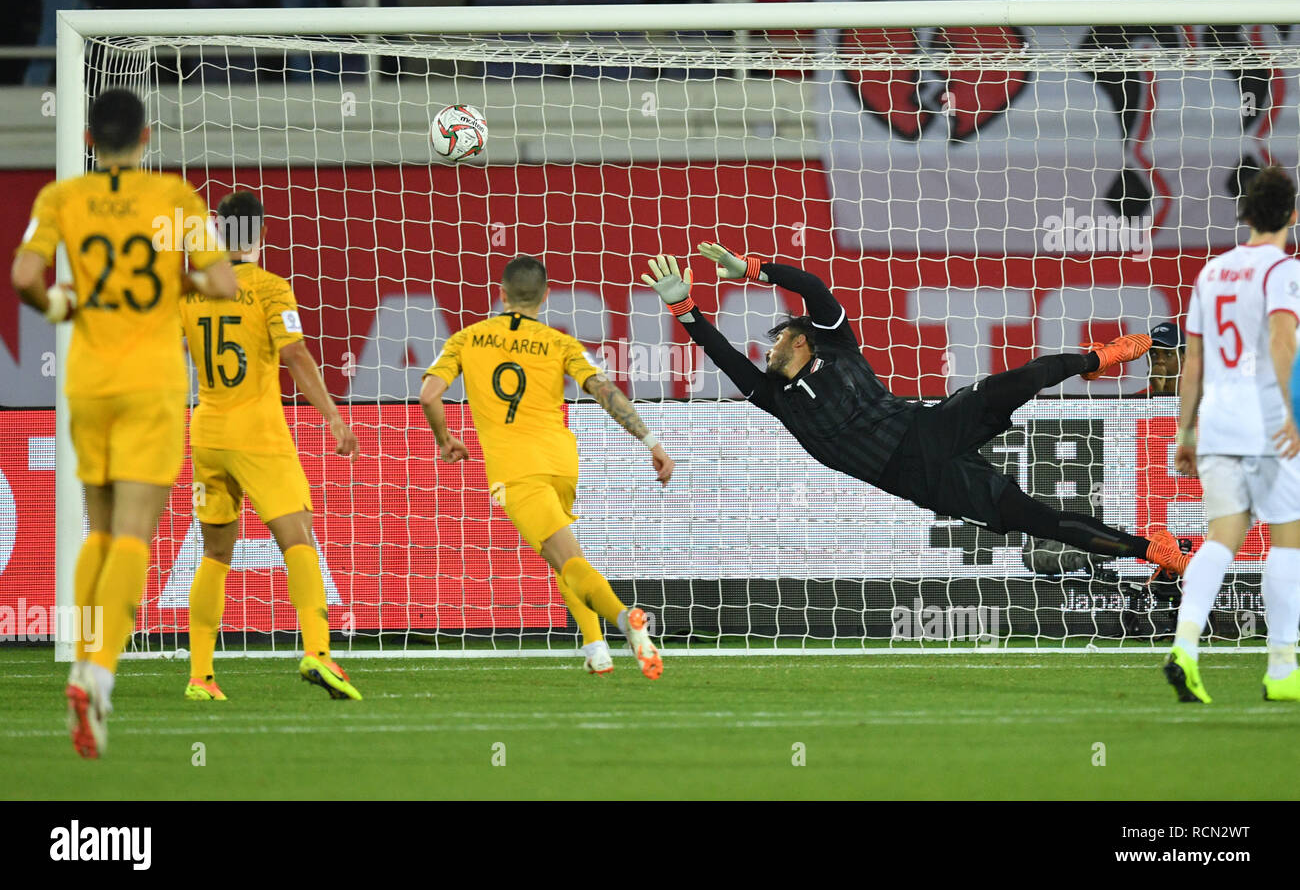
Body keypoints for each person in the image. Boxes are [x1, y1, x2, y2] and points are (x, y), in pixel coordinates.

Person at [642, 242, 1191, 579]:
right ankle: (1152, 550)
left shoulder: (834, 344)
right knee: (1036, 519)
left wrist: (753, 270)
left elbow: (812, 286)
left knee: (1010, 383)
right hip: (916, 480)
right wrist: (683, 307)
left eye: (780, 335)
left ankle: (1100, 355)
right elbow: (721, 353)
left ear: (802, 339)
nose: (770, 346)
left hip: (920, 431)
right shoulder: (773, 396)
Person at [10, 88, 239, 758]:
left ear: (87, 138)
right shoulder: (173, 200)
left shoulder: (63, 200)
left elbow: (25, 273)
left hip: (88, 381)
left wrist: (60, 302)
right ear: (145, 139)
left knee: (99, 530)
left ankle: (82, 657)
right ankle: (100, 672)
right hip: (152, 383)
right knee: (134, 535)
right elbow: (223, 284)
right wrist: (180, 283)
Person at [420, 255, 673, 678]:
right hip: (561, 462)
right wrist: (650, 441)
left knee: (567, 560)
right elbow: (604, 390)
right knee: (562, 556)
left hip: (515, 472)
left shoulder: (467, 338)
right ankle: (596, 650)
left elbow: (429, 394)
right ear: (546, 296)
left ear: (501, 293)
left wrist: (445, 440)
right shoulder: (560, 343)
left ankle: (625, 620)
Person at [179, 190, 361, 703]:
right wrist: (332, 416)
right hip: (256, 432)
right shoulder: (268, 287)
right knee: (298, 536)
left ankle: (200, 676)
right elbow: (297, 354)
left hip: (207, 429)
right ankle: (319, 654)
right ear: (261, 235)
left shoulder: (191, 290)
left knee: (215, 552)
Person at [1168, 165, 1300, 703]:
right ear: (1292, 216)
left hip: (1218, 423)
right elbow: (1282, 341)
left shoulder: (1211, 273)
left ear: (1244, 214)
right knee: (1288, 540)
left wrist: (1184, 431)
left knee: (1224, 537)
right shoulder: (1282, 271)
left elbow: (1193, 358)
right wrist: (1293, 413)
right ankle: (1282, 667)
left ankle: (1185, 644)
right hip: (1269, 424)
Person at [1141, 321, 1185, 397]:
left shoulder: (1198, 395)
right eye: (1153, 354)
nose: (1160, 360)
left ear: (1183, 359)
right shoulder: (1137, 400)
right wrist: (1157, 391)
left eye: (1169, 354)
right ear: (1148, 360)